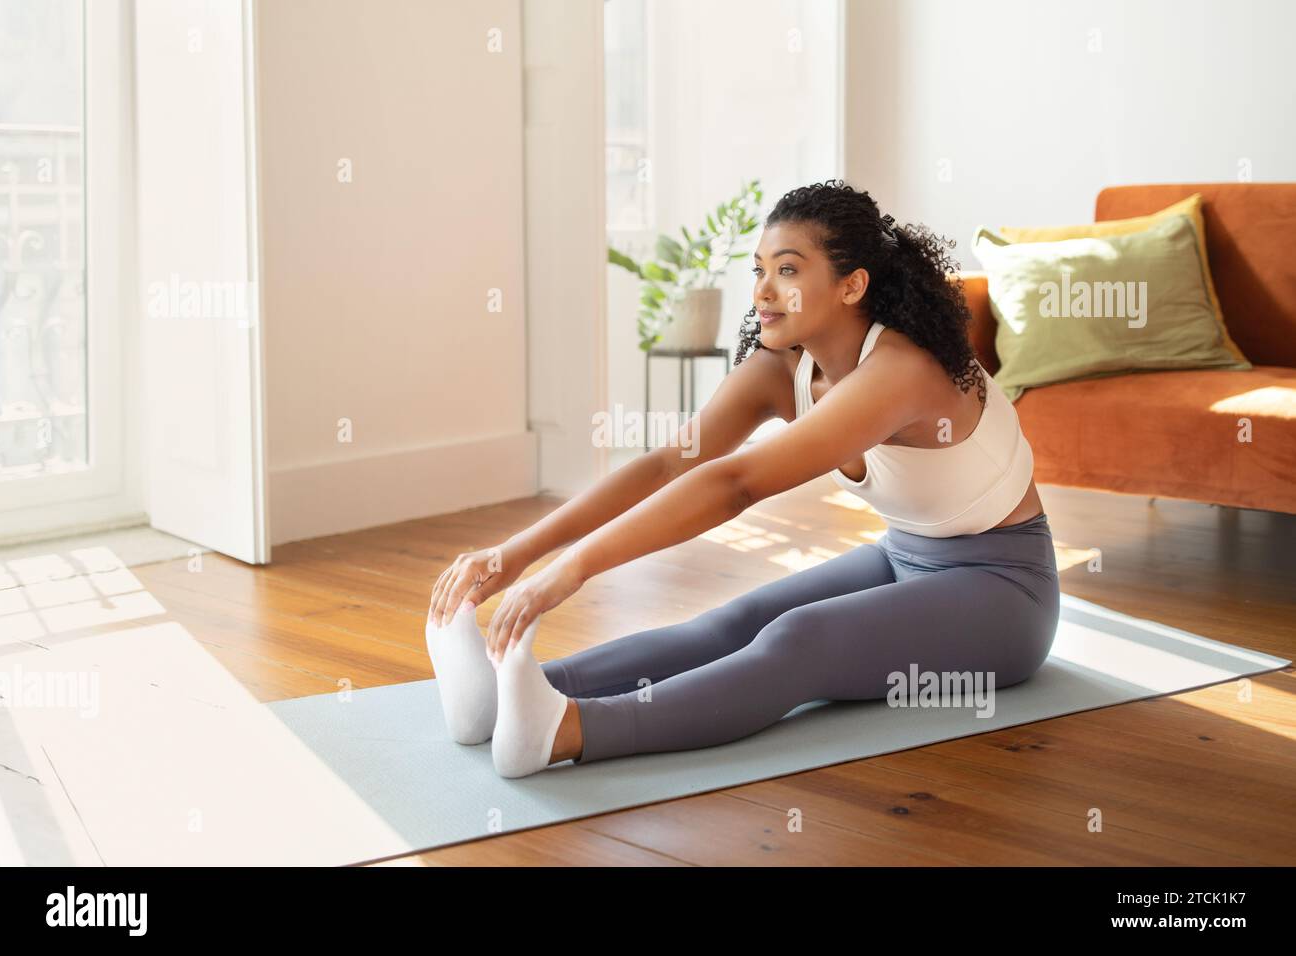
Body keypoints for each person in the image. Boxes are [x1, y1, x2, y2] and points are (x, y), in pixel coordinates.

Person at [428, 180, 1060, 778]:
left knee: (799, 638)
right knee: (736, 622)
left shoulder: (904, 369)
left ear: (851, 285)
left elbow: (738, 484)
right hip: (903, 557)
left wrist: (572, 569)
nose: (761, 290)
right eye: (758, 269)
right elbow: (670, 463)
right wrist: (515, 554)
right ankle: (514, 694)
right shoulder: (783, 366)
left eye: (787, 269)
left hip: (1003, 589)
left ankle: (565, 732)